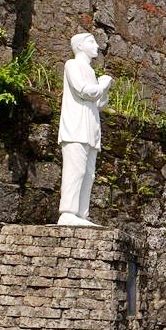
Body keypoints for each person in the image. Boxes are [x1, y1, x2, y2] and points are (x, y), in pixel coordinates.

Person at [57, 32, 113, 226]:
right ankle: (68, 212)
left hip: (91, 128)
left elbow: (99, 103)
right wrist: (102, 85)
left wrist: (104, 88)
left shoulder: (90, 71)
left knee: (89, 173)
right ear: (80, 46)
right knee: (76, 170)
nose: (97, 46)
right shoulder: (72, 65)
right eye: (92, 42)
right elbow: (83, 91)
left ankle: (81, 213)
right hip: (75, 126)